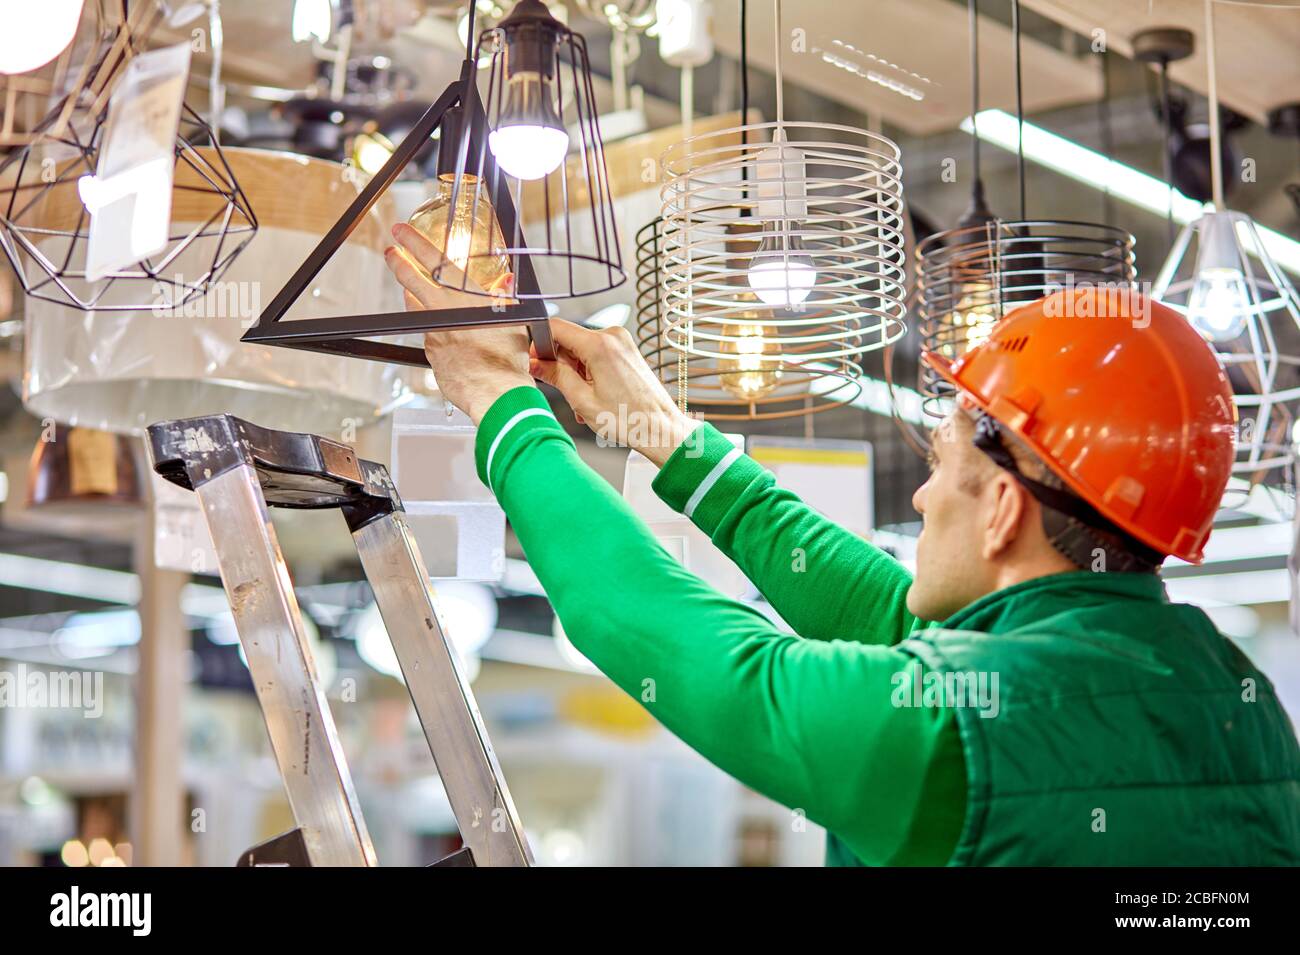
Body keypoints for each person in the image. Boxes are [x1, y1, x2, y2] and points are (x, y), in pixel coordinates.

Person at [385, 224, 1300, 865]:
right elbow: (893, 621)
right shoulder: (1233, 693)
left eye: (940, 465)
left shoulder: (956, 732)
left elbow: (669, 634)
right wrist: (660, 430)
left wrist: (501, 409)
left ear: (1002, 513)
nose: (922, 491)